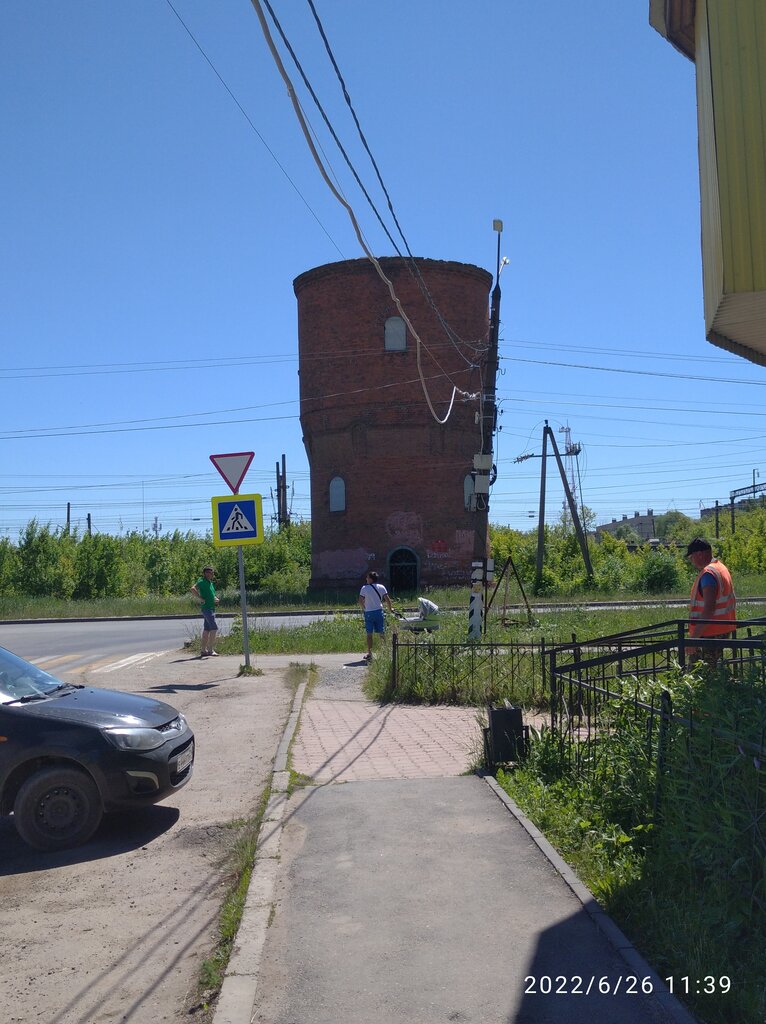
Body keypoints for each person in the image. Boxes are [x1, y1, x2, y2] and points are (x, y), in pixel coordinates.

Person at [685, 538, 736, 665]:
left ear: (699, 554)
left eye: (691, 557)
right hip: (722, 629)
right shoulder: (721, 568)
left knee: (698, 675)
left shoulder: (708, 574)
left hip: (708, 633)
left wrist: (694, 638)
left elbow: (709, 609)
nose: (691, 561)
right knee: (712, 672)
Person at [358, 571, 394, 661]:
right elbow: (388, 600)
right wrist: (390, 609)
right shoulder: (381, 587)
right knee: (381, 632)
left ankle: (370, 653)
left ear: (370, 579)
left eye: (367, 577)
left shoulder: (364, 588)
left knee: (369, 633)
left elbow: (360, 600)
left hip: (369, 612)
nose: (366, 579)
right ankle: (385, 652)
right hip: (379, 611)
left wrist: (364, 608)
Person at [190, 565, 220, 657]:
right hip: (207, 608)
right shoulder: (202, 581)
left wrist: (216, 599)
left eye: (212, 572)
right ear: (205, 573)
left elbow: (212, 594)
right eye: (209, 572)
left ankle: (203, 651)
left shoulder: (210, 583)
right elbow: (193, 588)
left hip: (211, 607)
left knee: (207, 630)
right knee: (214, 628)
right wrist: (200, 598)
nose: (211, 574)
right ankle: (210, 650)